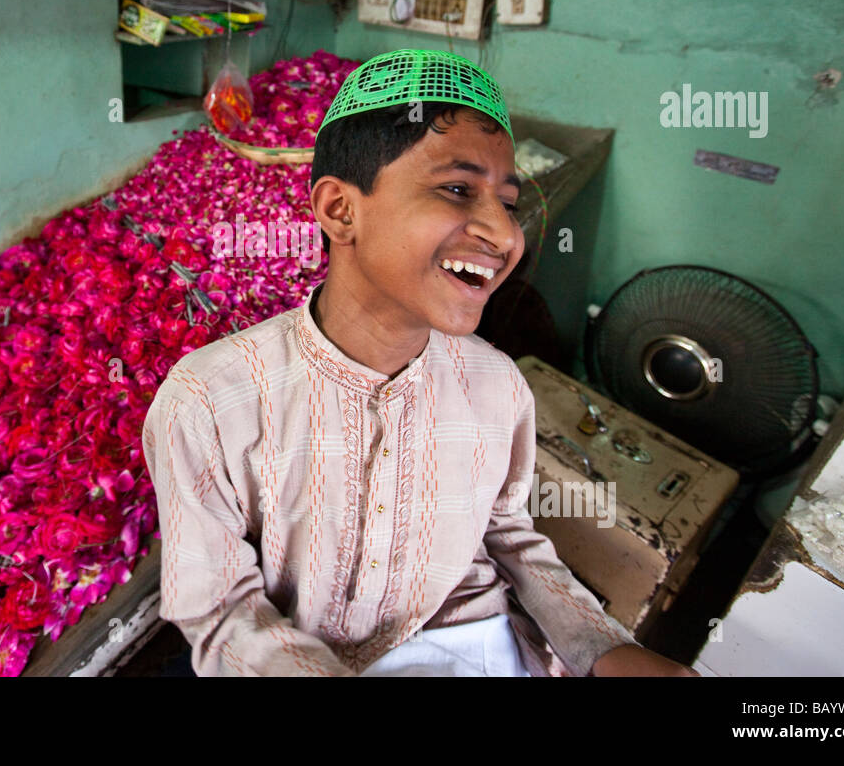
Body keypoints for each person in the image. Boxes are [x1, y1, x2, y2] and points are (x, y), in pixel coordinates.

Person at [141, 49, 698, 677]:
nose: (504, 233)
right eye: (457, 190)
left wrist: (602, 647)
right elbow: (218, 607)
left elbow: (508, 537)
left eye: (508, 203)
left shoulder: (497, 386)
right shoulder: (211, 399)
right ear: (340, 210)